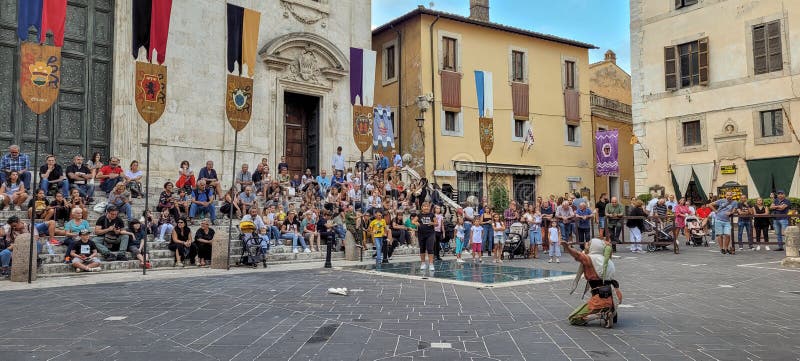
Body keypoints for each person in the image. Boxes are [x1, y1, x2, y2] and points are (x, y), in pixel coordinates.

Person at [565, 238, 622, 327]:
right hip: (614, 295)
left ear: (594, 247)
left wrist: (567, 248)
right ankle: (611, 311)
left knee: (574, 318)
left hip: (601, 298)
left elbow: (577, 255)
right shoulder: (607, 259)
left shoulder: (590, 258)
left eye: (588, 244)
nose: (586, 244)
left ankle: (603, 314)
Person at [416, 203, 436, 270]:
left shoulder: (432, 215)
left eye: (427, 206)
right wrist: (416, 223)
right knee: (422, 248)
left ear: (429, 208)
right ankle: (423, 263)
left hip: (430, 234)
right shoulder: (419, 215)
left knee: (430, 248)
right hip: (421, 234)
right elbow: (413, 221)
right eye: (424, 206)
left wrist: (432, 223)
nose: (426, 207)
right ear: (422, 208)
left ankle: (431, 264)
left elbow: (436, 223)